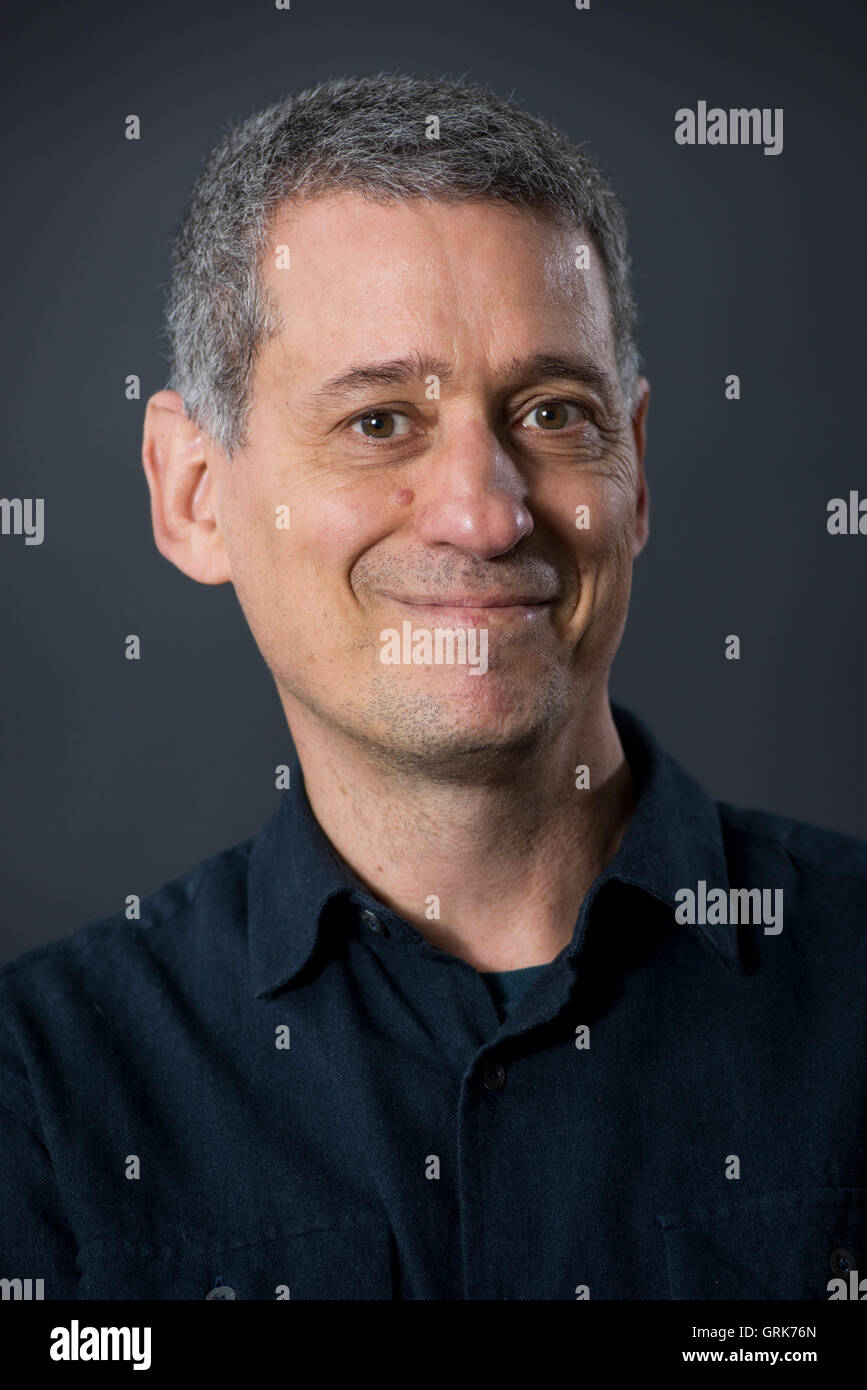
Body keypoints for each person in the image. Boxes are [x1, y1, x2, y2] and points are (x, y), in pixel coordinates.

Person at [2, 73, 865, 1302]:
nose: (483, 510)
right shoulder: (40, 1086)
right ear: (194, 493)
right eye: (380, 422)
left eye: (553, 412)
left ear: (637, 475)